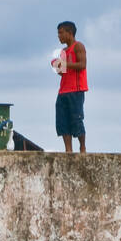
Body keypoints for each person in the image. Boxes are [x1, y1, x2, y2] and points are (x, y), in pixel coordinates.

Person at [52, 21, 87, 152]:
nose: (59, 36)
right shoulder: (63, 51)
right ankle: (68, 149)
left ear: (69, 33)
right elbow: (63, 72)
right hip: (63, 90)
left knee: (76, 118)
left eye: (61, 33)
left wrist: (65, 63)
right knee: (62, 120)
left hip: (76, 90)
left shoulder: (78, 46)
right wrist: (57, 66)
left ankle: (82, 147)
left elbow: (82, 64)